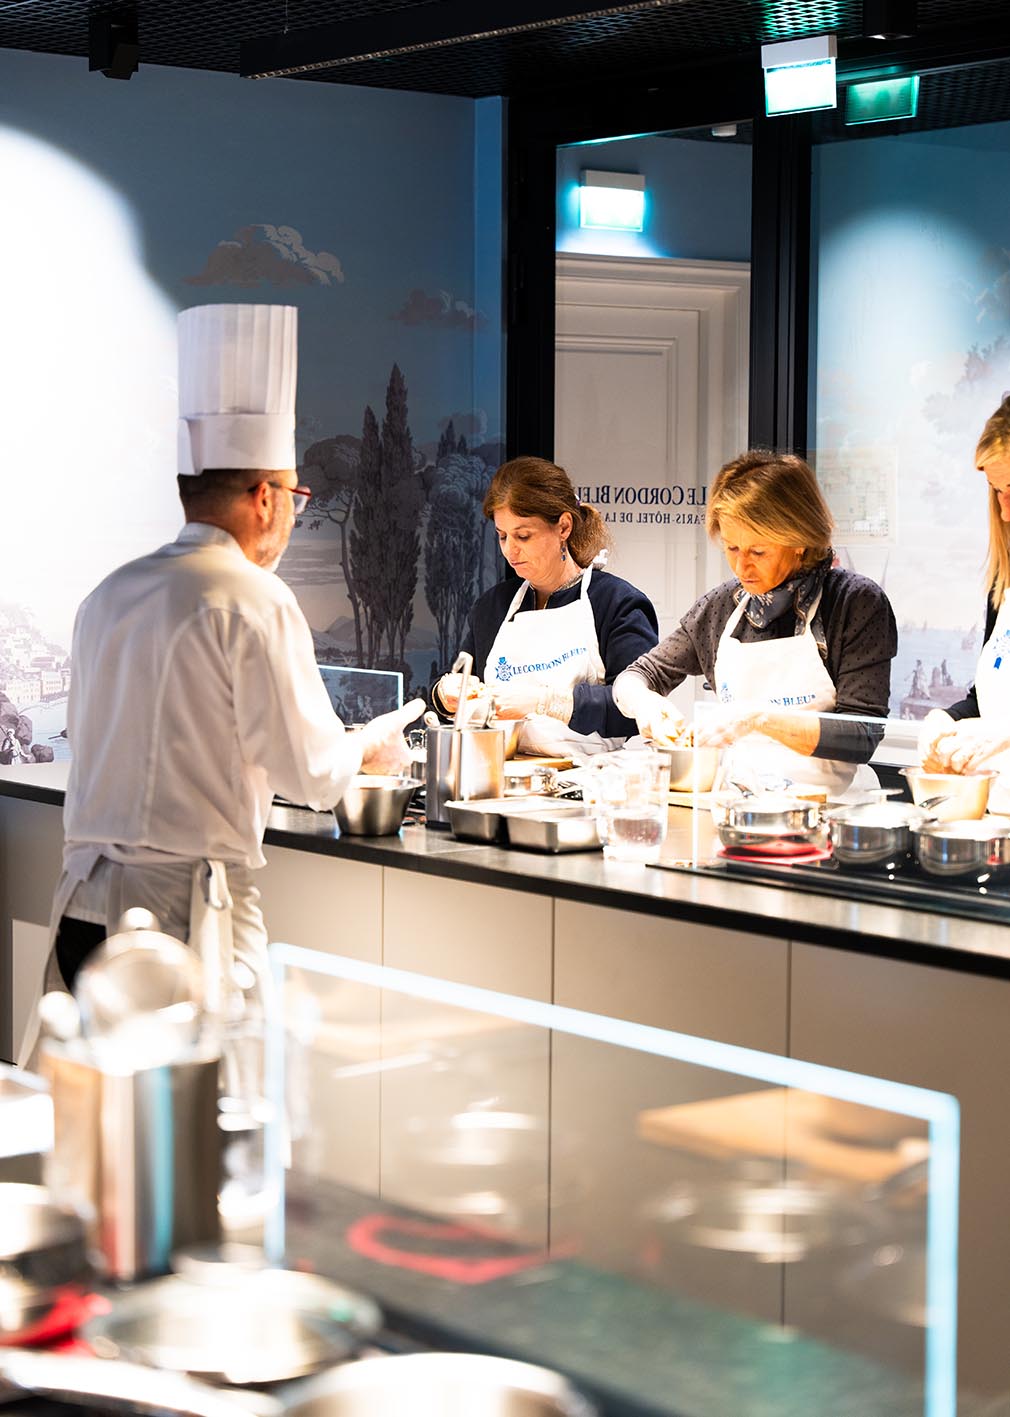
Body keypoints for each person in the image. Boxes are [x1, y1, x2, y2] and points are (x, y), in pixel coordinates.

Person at [20, 303, 421, 1065]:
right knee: (196, 1140)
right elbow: (310, 773)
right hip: (181, 919)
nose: (294, 515)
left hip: (83, 911)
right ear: (265, 496)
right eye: (297, 498)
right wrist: (368, 743)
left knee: (91, 1133)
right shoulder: (251, 597)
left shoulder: (107, 594)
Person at [613, 450, 898, 797]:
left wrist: (757, 719)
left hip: (830, 812)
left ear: (800, 541)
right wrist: (647, 705)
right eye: (732, 549)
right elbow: (635, 677)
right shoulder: (721, 608)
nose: (741, 567)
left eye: (758, 552)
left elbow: (861, 736)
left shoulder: (855, 603)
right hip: (740, 808)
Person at [432, 456, 659, 754]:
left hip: (592, 783)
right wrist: (445, 694)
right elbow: (464, 681)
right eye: (502, 536)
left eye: (523, 535)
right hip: (506, 779)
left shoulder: (618, 604)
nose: (510, 550)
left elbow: (639, 711)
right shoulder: (494, 606)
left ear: (563, 527)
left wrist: (548, 702)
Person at [918, 396, 1010, 807]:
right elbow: (987, 698)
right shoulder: (1001, 584)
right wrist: (948, 718)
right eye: (996, 492)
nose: (1004, 512)